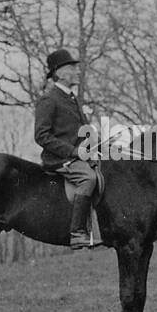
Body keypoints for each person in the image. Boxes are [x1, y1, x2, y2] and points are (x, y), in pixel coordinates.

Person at [34, 49, 98, 249]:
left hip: (80, 156)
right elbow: (41, 136)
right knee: (89, 178)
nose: (77, 71)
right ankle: (77, 232)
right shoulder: (49, 99)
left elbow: (83, 131)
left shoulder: (72, 98)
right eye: (72, 68)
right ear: (60, 73)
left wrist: (97, 145)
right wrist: (73, 151)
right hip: (60, 160)